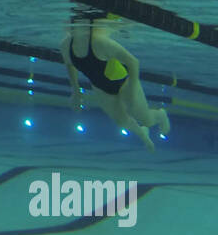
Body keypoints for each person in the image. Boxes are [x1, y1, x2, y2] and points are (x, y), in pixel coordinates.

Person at [61, 12, 170, 149]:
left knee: (145, 118)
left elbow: (133, 62)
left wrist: (132, 86)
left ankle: (160, 115)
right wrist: (75, 91)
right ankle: (143, 135)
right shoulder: (65, 46)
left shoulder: (99, 42)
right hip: (100, 86)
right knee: (122, 121)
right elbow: (70, 64)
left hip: (124, 81)